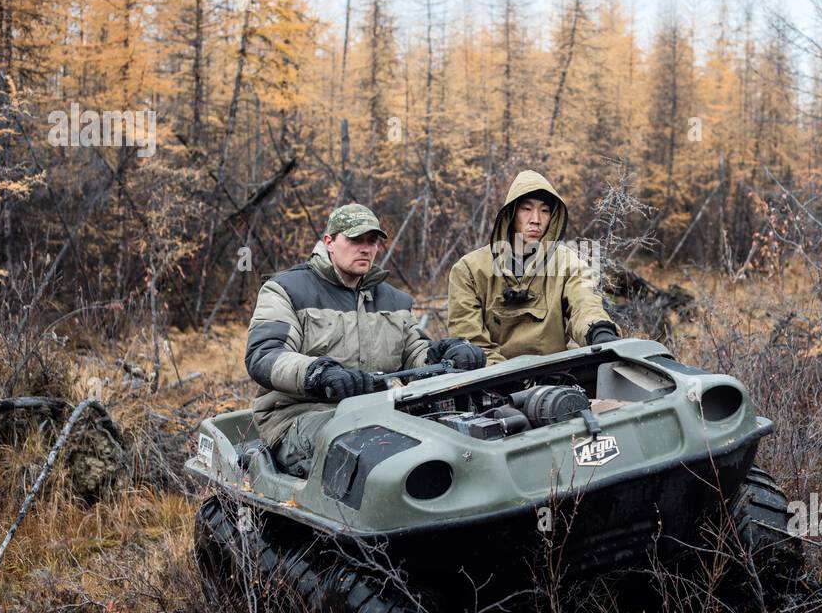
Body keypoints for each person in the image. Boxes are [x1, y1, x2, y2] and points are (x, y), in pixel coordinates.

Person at [245, 203, 483, 477]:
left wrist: (444, 354)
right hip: (300, 417)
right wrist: (318, 373)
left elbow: (416, 354)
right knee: (377, 459)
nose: (365, 248)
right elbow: (264, 355)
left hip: (380, 415)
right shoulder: (286, 290)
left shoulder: (394, 299)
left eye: (372, 241)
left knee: (462, 440)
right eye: (355, 239)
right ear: (329, 242)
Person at [447, 170, 619, 365]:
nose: (536, 219)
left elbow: (584, 303)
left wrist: (599, 331)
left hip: (556, 374)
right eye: (526, 209)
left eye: (545, 211)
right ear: (511, 214)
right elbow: (470, 341)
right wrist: (509, 379)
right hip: (491, 380)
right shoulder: (468, 270)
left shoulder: (567, 262)